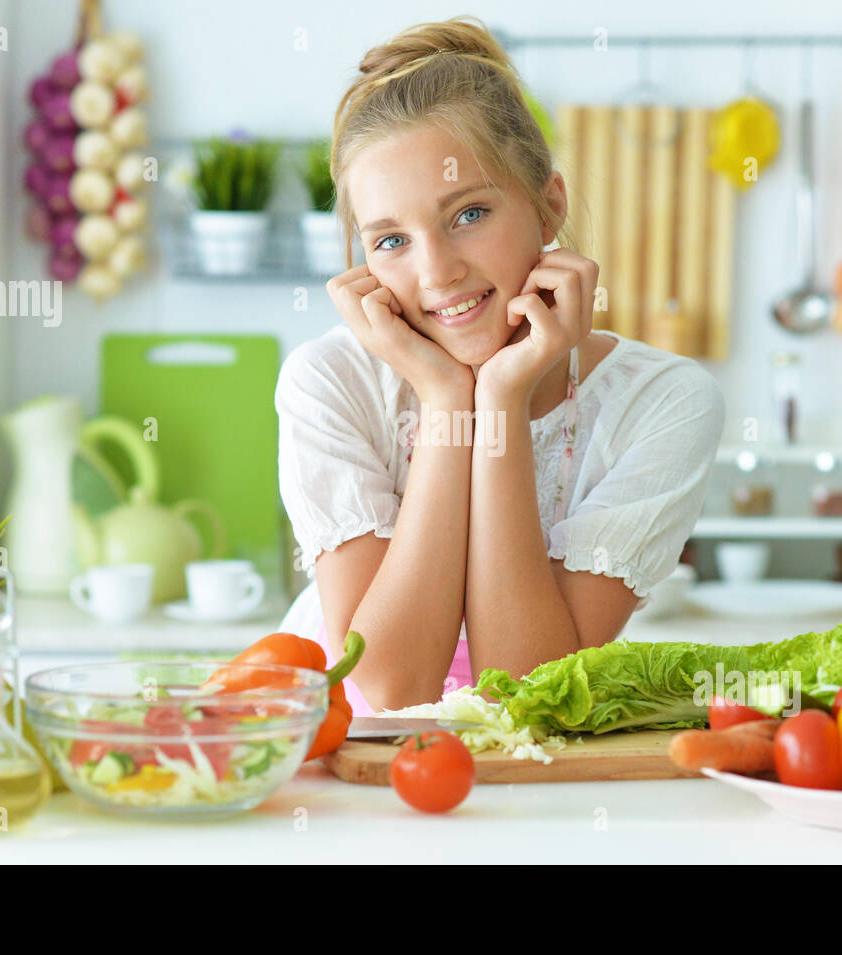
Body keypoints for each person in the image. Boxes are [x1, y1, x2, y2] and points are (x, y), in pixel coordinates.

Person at [275, 15, 725, 715]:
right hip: (344, 771)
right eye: (391, 239)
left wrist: (502, 402)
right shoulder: (329, 382)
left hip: (532, 782)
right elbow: (386, 688)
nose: (437, 273)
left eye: (469, 214)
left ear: (549, 207)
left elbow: (524, 690)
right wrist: (449, 400)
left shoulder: (664, 402)